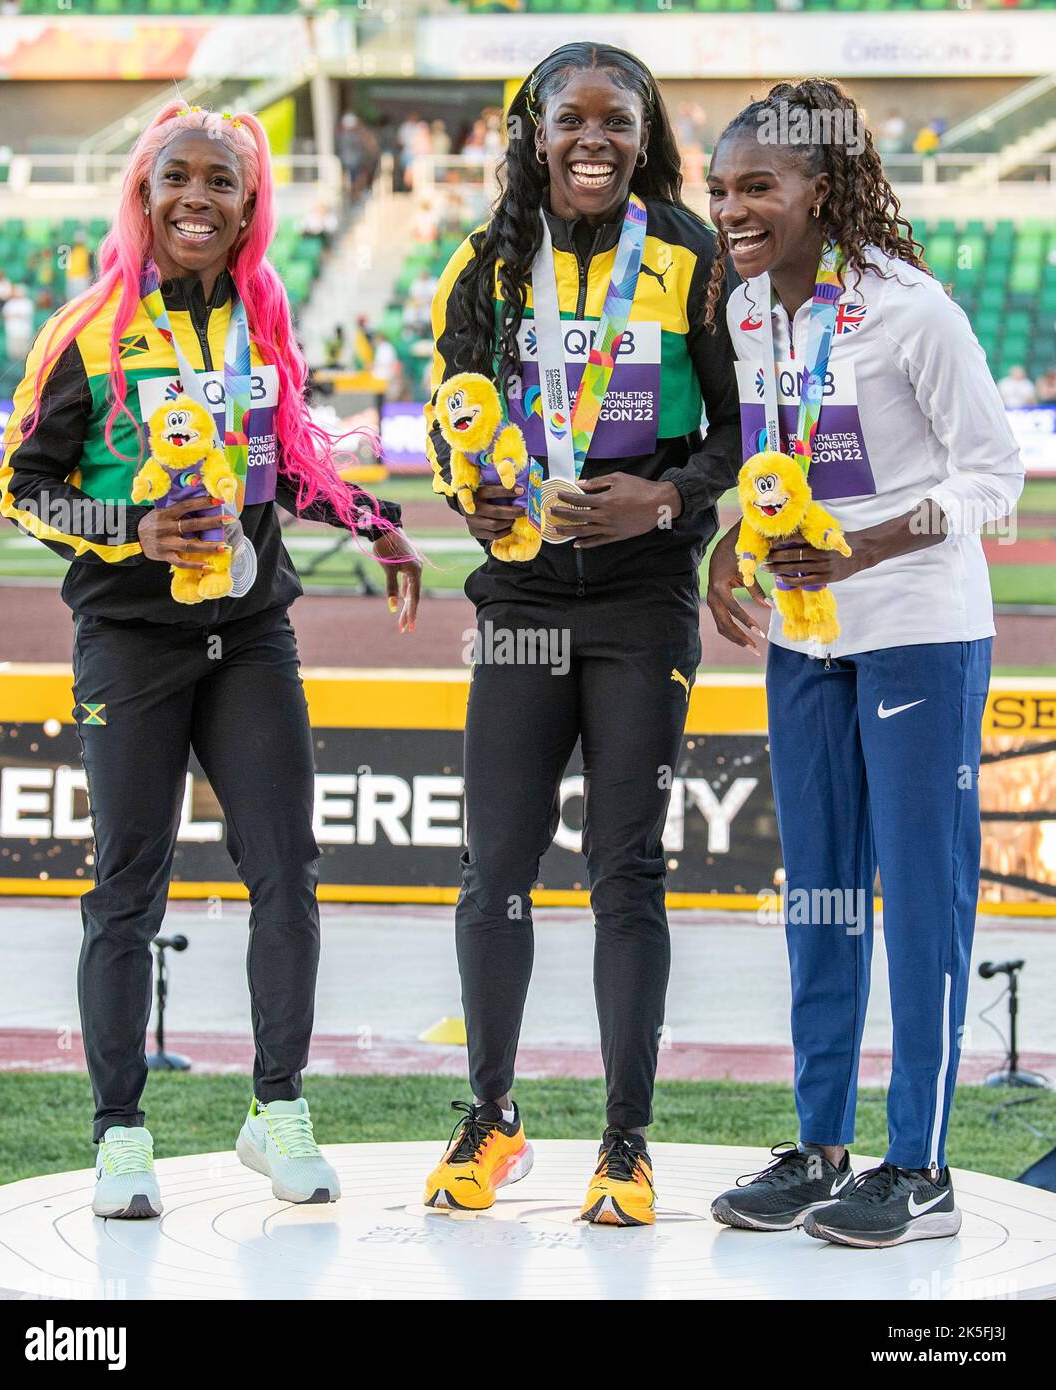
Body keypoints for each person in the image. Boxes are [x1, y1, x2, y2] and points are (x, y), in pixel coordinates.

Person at [0, 103, 422, 1221]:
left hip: (250, 635)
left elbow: (290, 459)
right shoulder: (88, 327)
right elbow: (22, 488)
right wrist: (126, 529)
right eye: (174, 178)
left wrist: (374, 522)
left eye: (220, 183)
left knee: (287, 869)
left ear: (248, 205)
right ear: (142, 196)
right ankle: (120, 1133)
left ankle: (275, 1108)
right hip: (131, 642)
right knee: (126, 889)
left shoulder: (262, 315)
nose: (196, 196)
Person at [703, 78, 1023, 1248]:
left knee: (919, 899)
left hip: (918, 634)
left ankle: (921, 1167)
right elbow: (777, 458)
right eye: (722, 190)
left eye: (758, 189)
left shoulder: (909, 310)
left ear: (820, 192)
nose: (733, 210)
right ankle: (820, 1145)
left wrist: (872, 541)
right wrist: (736, 535)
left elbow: (995, 475)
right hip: (805, 636)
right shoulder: (746, 311)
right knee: (822, 894)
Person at [424, 42, 740, 1226]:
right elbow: (452, 431)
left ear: (645, 132)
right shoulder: (485, 265)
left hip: (641, 595)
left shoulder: (689, 256)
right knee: (494, 863)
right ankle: (491, 1117)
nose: (594, 139)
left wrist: (659, 500)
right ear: (536, 131)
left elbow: (735, 430)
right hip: (519, 601)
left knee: (626, 870)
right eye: (571, 119)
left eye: (618, 120)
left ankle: (626, 1142)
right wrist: (479, 499)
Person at [1, 283, 34, 362]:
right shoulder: (10, 303)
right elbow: (4, 314)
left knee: (24, 355)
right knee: (13, 355)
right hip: (12, 333)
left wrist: (13, 315)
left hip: (24, 333)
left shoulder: (27, 302)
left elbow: (25, 315)